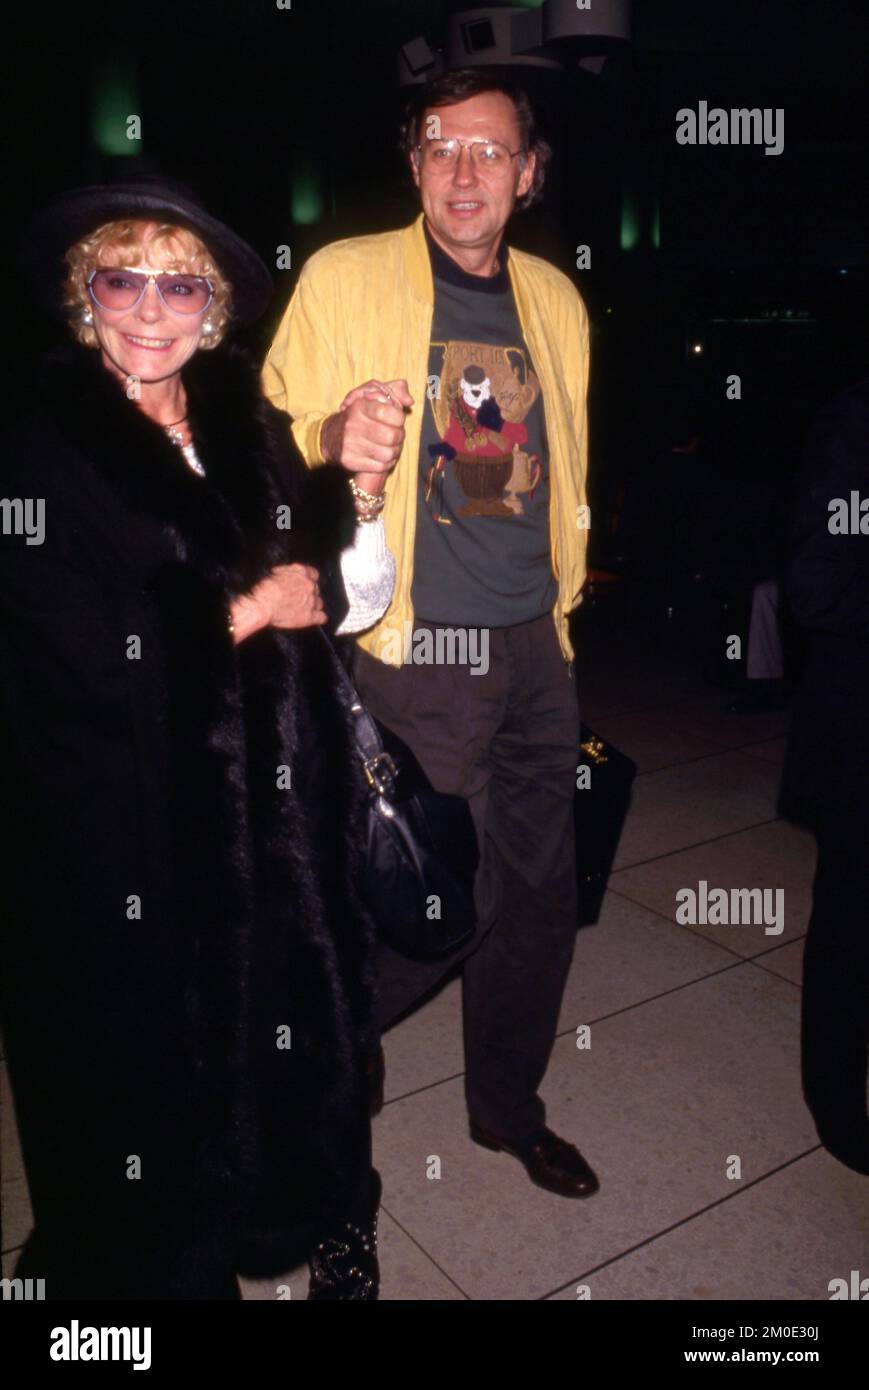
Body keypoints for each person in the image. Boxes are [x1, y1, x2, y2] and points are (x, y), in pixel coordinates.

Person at [0, 177, 392, 1299]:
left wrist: (348, 493)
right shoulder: (40, 449)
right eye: (124, 278)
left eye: (181, 284)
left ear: (212, 307)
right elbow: (62, 655)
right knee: (146, 1063)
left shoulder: (240, 416)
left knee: (286, 1028)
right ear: (86, 295)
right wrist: (245, 615)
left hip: (274, 805)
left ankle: (304, 1212)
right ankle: (162, 1265)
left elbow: (320, 574)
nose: (153, 309)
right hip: (127, 829)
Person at [264, 70, 599, 1198]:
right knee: (417, 898)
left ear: (528, 173)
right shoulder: (344, 276)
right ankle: (316, 1058)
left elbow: (561, 470)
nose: (464, 172)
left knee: (536, 898)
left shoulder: (554, 298)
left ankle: (507, 1110)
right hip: (420, 644)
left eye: (490, 151)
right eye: (440, 147)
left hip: (534, 646)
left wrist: (560, 607)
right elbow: (271, 444)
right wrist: (327, 435)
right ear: (412, 166)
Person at [780, 378, 869, 1177]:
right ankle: (840, 1106)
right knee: (850, 926)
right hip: (859, 731)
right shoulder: (853, 416)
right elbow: (815, 585)